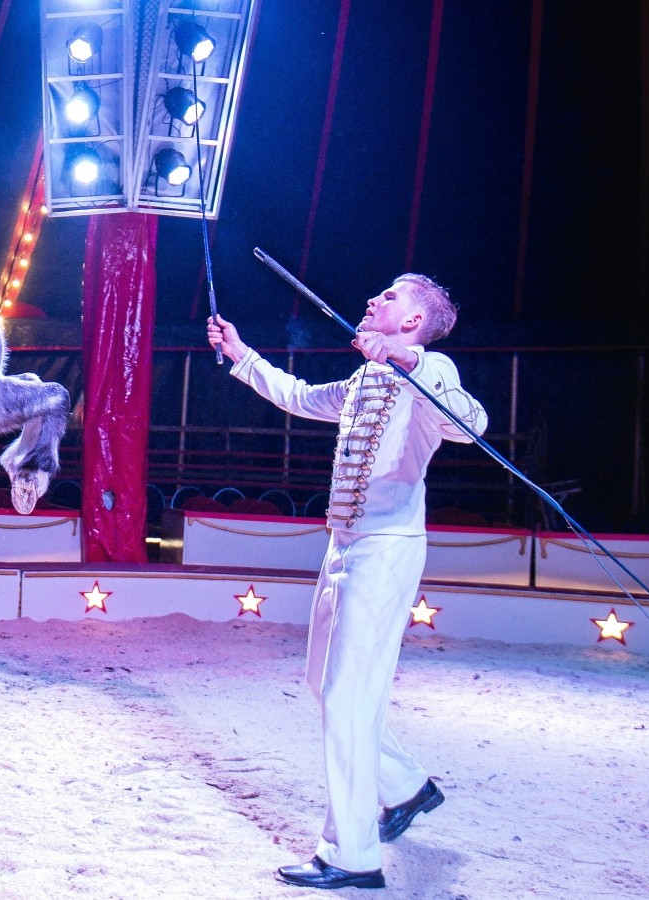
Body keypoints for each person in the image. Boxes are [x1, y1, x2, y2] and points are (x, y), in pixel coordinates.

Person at [206, 274, 488, 890]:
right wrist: (241, 354)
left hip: (386, 549)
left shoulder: (431, 372)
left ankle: (351, 856)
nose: (373, 300)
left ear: (412, 323)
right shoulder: (365, 378)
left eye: (389, 298)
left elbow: (471, 425)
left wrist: (409, 361)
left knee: (347, 698)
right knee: (325, 683)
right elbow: (302, 397)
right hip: (344, 546)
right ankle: (406, 787)